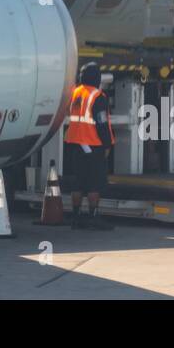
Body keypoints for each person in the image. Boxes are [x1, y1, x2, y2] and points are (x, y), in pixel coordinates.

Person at [63, 62, 114, 230]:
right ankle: (93, 216)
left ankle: (75, 216)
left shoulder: (75, 93)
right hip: (92, 144)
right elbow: (101, 123)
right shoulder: (97, 96)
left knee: (77, 182)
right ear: (97, 78)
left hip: (74, 143)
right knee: (94, 183)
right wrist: (107, 144)